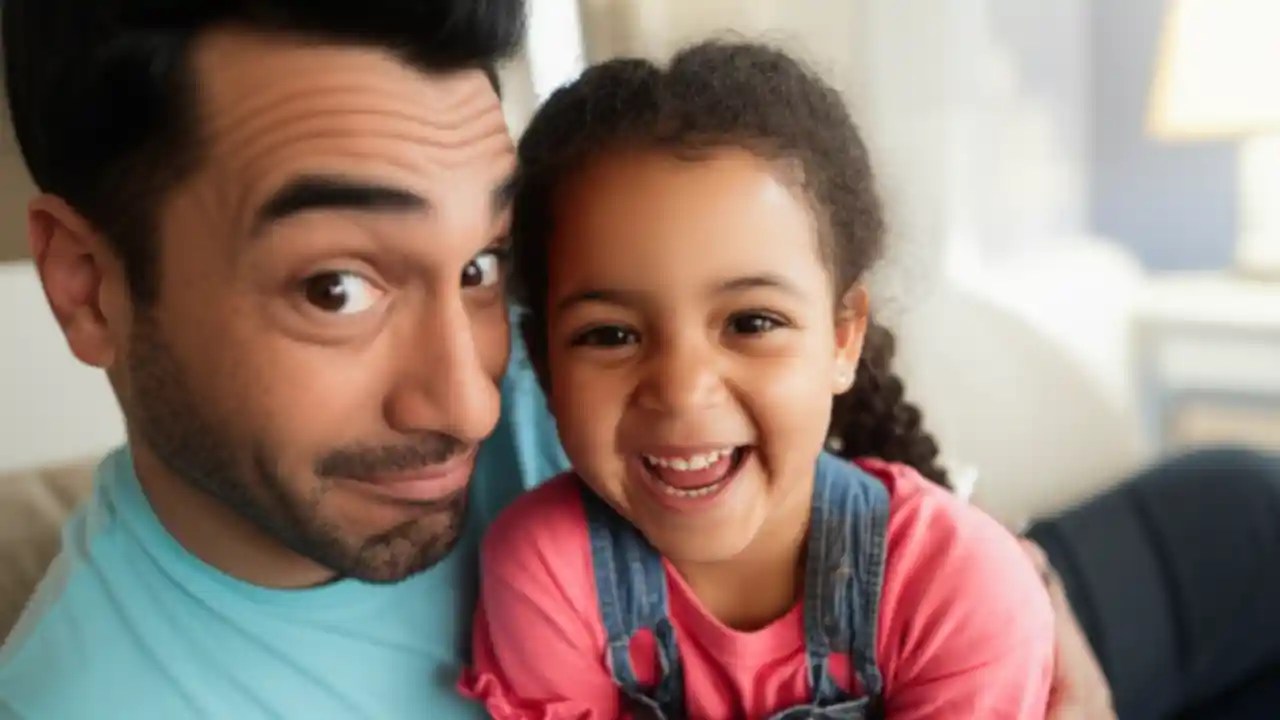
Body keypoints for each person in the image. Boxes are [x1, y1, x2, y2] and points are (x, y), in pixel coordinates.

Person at [0, 1, 1108, 718]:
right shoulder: (93, 698)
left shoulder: (593, 387)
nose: (472, 400)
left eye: (483, 265)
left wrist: (1038, 615)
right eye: (335, 287)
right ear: (88, 287)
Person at [458, 43, 1054, 719]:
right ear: (543, 362)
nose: (682, 390)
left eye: (750, 322)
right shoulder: (547, 571)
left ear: (842, 336)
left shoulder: (963, 588)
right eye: (612, 334)